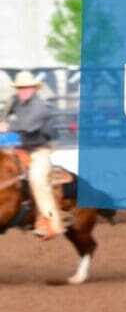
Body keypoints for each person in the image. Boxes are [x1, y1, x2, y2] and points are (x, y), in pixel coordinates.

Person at [0, 71, 62, 239]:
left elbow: (26, 126)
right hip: (20, 148)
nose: (23, 91)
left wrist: (7, 126)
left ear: (34, 88)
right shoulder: (15, 100)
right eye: (20, 88)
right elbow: (5, 112)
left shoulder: (40, 108)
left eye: (26, 88)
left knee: (38, 180)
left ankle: (51, 223)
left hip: (38, 150)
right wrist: (3, 119)